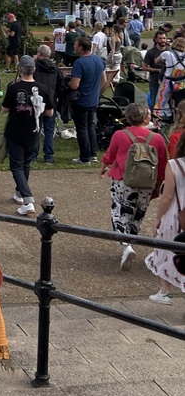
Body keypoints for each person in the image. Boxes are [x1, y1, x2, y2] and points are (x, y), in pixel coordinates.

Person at [100, 102, 168, 270]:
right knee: (137, 214)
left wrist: (104, 167)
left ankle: (126, 245)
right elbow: (162, 164)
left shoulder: (120, 135)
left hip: (123, 180)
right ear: (146, 118)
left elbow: (110, 155)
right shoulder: (157, 138)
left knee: (119, 212)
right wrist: (158, 184)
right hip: (146, 183)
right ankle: (131, 240)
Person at [145, 103, 185, 305]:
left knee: (164, 249)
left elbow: (167, 196)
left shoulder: (175, 165)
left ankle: (165, 290)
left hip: (176, 214)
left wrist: (158, 217)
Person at [1, 55, 49, 216]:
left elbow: (4, 109)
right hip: (33, 132)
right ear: (33, 69)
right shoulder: (43, 88)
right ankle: (19, 193)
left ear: (19, 69)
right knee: (26, 164)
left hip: (15, 131)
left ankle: (28, 200)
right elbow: (49, 112)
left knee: (16, 165)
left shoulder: (14, 88)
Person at [68, 35, 104, 164]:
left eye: (75, 45)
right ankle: (93, 153)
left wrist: (68, 82)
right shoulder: (98, 60)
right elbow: (104, 80)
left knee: (81, 128)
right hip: (93, 99)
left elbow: (75, 85)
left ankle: (84, 156)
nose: (74, 47)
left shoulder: (80, 63)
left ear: (81, 48)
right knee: (90, 126)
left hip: (81, 100)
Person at [33, 44, 60, 164]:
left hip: (36, 101)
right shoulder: (55, 69)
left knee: (35, 128)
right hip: (51, 101)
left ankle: (33, 155)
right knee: (49, 130)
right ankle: (48, 156)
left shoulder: (35, 67)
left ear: (39, 54)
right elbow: (61, 86)